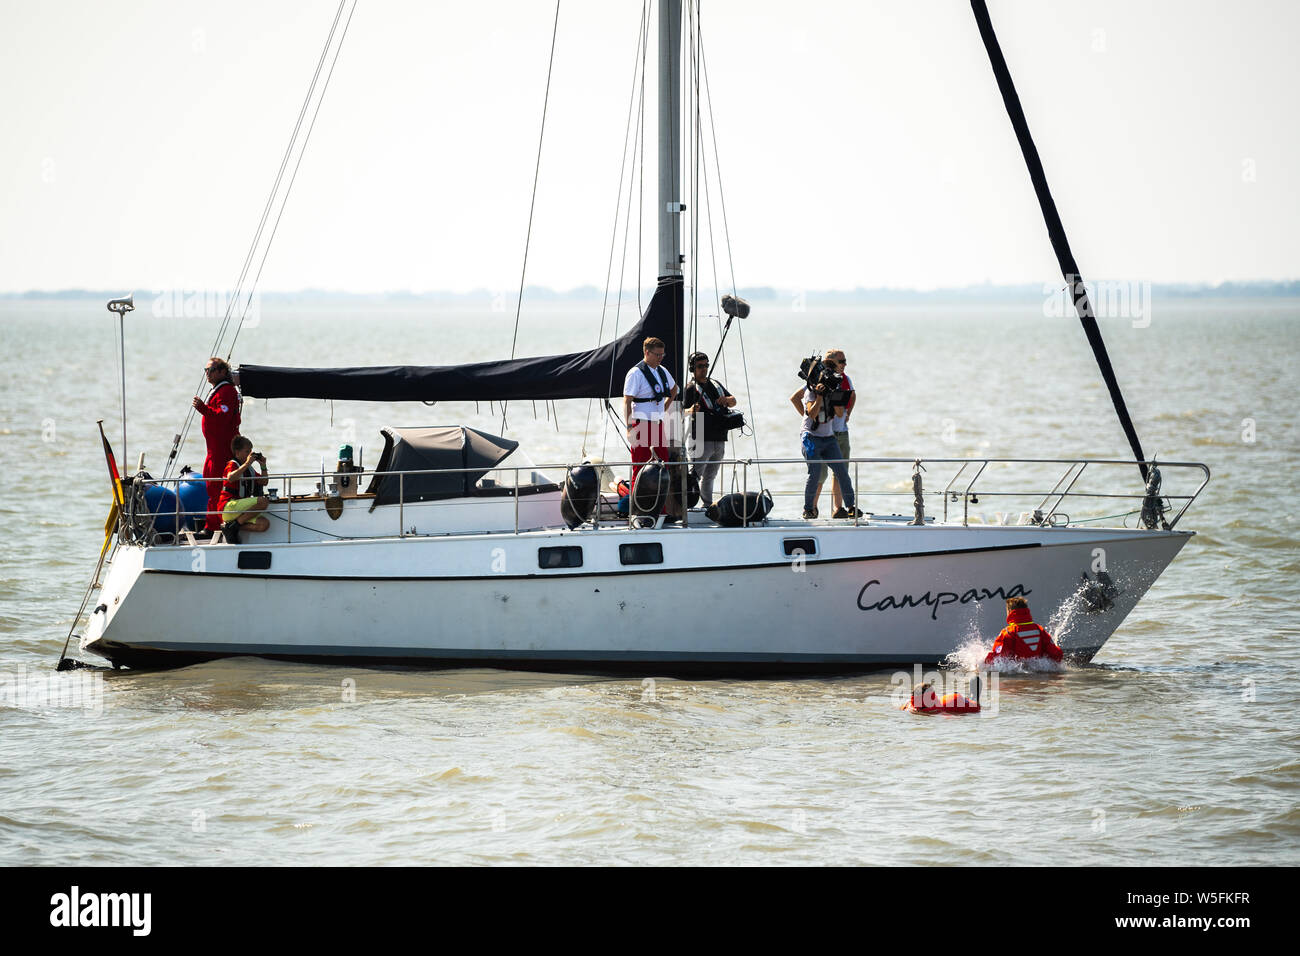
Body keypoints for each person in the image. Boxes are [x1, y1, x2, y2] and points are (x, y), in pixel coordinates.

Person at [790, 349, 856, 517]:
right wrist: (820, 396)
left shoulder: (836, 386)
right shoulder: (811, 390)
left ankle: (851, 507)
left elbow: (840, 413)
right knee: (815, 472)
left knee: (841, 471)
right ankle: (808, 509)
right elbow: (811, 414)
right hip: (810, 436)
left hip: (828, 438)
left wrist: (834, 396)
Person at [622, 336, 679, 495]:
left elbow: (674, 389)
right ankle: (638, 507)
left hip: (657, 424)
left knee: (662, 466)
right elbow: (627, 401)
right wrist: (628, 428)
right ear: (647, 353)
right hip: (641, 424)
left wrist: (665, 407)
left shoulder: (662, 371)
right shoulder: (636, 373)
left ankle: (661, 507)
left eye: (662, 355)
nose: (660, 358)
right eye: (657, 355)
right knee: (640, 466)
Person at [191, 357, 242, 532]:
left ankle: (213, 526)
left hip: (221, 451)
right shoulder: (219, 390)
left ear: (221, 372)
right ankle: (213, 523)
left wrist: (203, 408)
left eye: (210, 370)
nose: (207, 373)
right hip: (214, 450)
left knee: (217, 486)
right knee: (212, 485)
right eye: (205, 370)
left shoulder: (226, 391)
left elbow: (222, 416)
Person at [682, 351, 737, 508]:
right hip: (700, 439)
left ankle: (707, 506)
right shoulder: (690, 389)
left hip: (719, 438)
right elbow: (678, 412)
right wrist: (691, 410)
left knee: (711, 476)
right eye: (700, 366)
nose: (704, 369)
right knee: (694, 476)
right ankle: (688, 506)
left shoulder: (716, 384)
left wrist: (726, 400)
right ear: (692, 368)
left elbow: (734, 400)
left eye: (706, 366)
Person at [217, 436, 269, 544]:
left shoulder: (248, 468)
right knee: (263, 501)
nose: (250, 454)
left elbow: (264, 482)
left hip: (238, 509)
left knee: (264, 524)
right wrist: (247, 463)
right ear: (237, 452)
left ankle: (231, 527)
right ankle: (233, 525)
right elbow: (230, 477)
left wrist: (263, 466)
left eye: (251, 451)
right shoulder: (232, 464)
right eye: (247, 452)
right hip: (228, 506)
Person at [984, 596, 1064, 664]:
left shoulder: (1008, 632)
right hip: (1039, 676)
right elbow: (1056, 654)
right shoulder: (1039, 629)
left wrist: (983, 665)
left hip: (1017, 677)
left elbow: (998, 658)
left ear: (1009, 612)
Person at [899, 681, 980, 714]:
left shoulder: (909, 705)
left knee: (976, 704)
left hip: (954, 700)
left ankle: (974, 696)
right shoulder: (909, 705)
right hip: (948, 702)